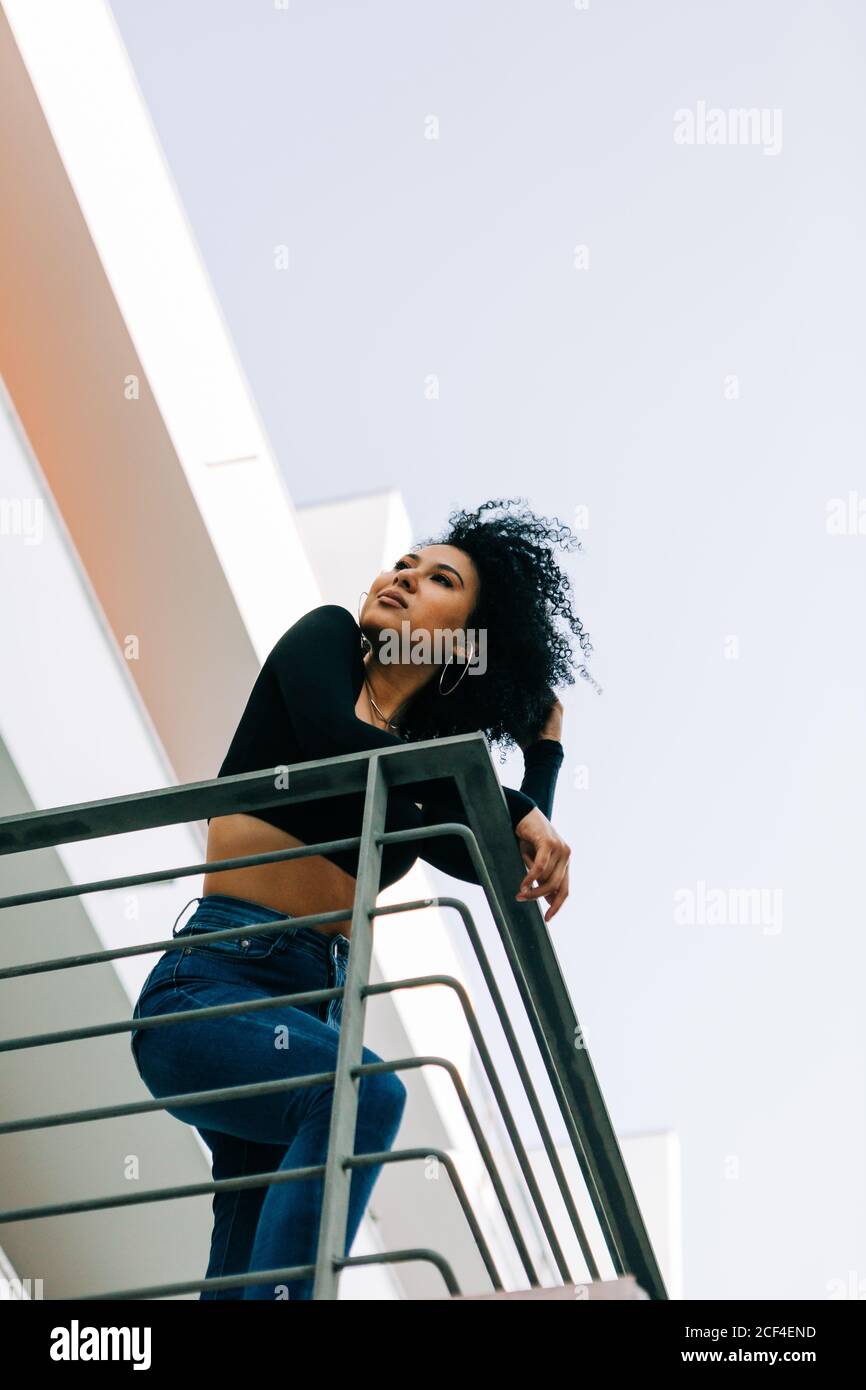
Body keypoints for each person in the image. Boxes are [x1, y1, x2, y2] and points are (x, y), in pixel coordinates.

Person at [130, 496, 590, 1300]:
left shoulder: (420, 774)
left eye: (438, 579)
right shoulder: (327, 643)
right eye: (404, 563)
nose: (404, 578)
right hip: (213, 983)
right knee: (367, 1098)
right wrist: (516, 807)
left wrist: (542, 763)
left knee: (242, 1267)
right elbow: (342, 748)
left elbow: (491, 862)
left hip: (314, 1013)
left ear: (464, 644)